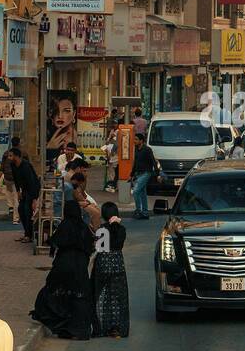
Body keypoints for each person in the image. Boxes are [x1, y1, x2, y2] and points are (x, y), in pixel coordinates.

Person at [30, 200, 96, 339]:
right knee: (78, 297)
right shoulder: (83, 227)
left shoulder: (65, 226)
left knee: (55, 291)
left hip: (64, 265)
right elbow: (90, 246)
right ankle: (78, 330)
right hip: (79, 267)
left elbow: (56, 241)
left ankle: (61, 324)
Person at [93, 202, 130, 338]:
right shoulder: (122, 229)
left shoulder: (102, 229)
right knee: (117, 297)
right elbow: (119, 245)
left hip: (102, 265)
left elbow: (99, 248)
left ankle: (102, 327)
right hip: (118, 265)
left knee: (101, 296)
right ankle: (118, 327)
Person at [10, 148, 41, 243]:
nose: (9, 158)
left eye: (11, 156)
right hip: (24, 189)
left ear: (17, 156)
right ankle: (27, 233)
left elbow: (32, 182)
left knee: (28, 210)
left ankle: (29, 235)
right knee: (21, 209)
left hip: (32, 189)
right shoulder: (13, 165)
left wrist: (34, 199)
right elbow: (15, 179)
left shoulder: (26, 166)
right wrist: (18, 192)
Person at [130, 131, 157, 219]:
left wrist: (157, 173)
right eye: (134, 139)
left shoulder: (147, 149)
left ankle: (139, 211)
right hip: (139, 173)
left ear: (141, 141)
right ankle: (145, 213)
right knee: (142, 193)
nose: (134, 141)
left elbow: (153, 161)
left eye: (136, 139)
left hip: (146, 173)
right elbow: (135, 162)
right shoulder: (136, 149)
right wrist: (132, 174)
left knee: (136, 192)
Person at [0, 148, 20, 223]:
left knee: (9, 193)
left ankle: (11, 207)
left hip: (7, 178)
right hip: (14, 180)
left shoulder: (5, 153)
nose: (9, 157)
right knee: (16, 198)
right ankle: (16, 218)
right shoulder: (20, 154)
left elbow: (2, 168)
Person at [102, 126, 118, 192]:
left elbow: (112, 147)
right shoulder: (112, 138)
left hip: (114, 158)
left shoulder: (115, 136)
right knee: (113, 173)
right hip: (113, 158)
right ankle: (114, 185)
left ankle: (114, 185)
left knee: (113, 173)